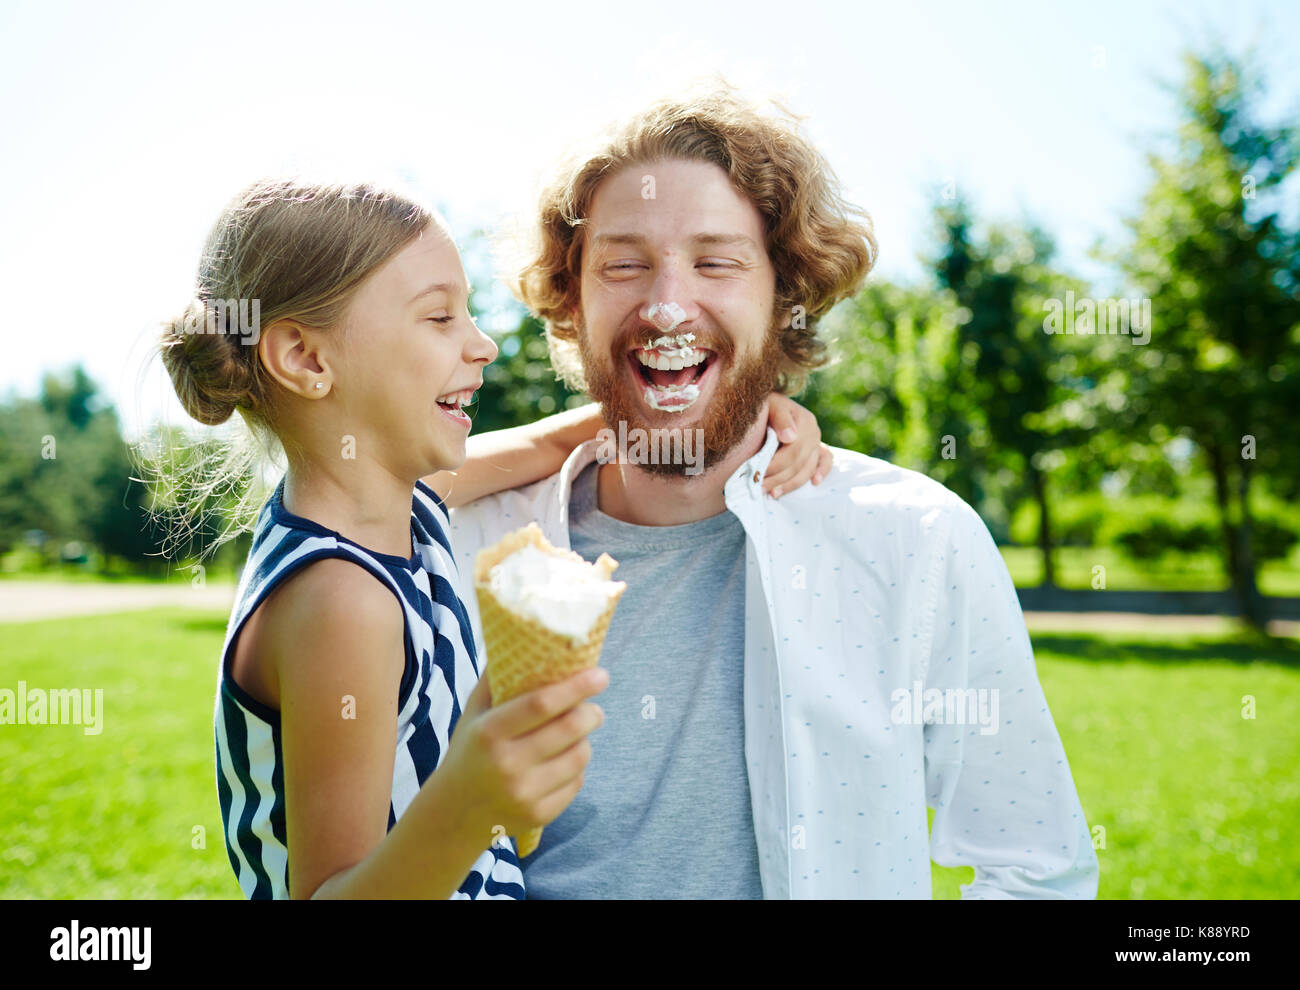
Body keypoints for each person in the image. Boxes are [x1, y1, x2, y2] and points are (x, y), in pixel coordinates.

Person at [448, 88, 1101, 899]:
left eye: (716, 261)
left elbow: (1038, 870)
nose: (665, 306)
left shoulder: (917, 540)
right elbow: (322, 493)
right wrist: (574, 432)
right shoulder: (459, 543)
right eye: (623, 264)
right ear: (571, 299)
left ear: (785, 295)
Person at [155, 177, 829, 899]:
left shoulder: (394, 503)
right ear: (308, 360)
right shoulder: (342, 600)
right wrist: (471, 804)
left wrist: (750, 407)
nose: (482, 344)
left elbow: (556, 440)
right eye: (439, 317)